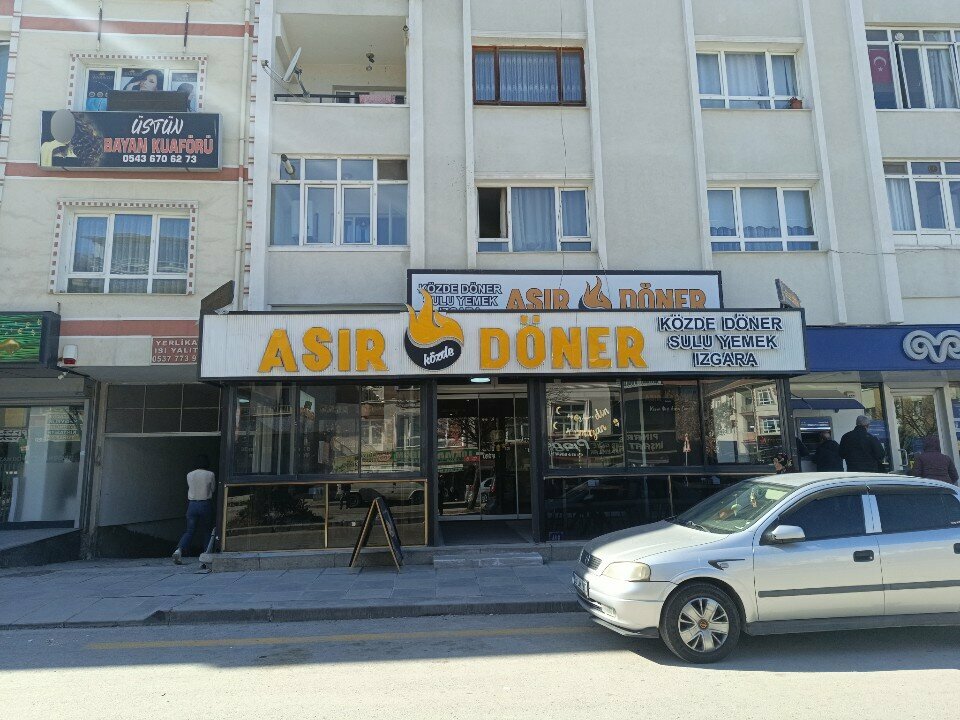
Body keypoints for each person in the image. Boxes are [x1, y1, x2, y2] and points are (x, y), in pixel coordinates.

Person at [172, 455, 216, 565]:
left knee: (190, 531)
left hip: (192, 505)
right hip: (205, 504)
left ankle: (179, 550)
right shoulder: (210, 474)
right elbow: (213, 489)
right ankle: (206, 554)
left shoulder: (189, 475)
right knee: (207, 531)